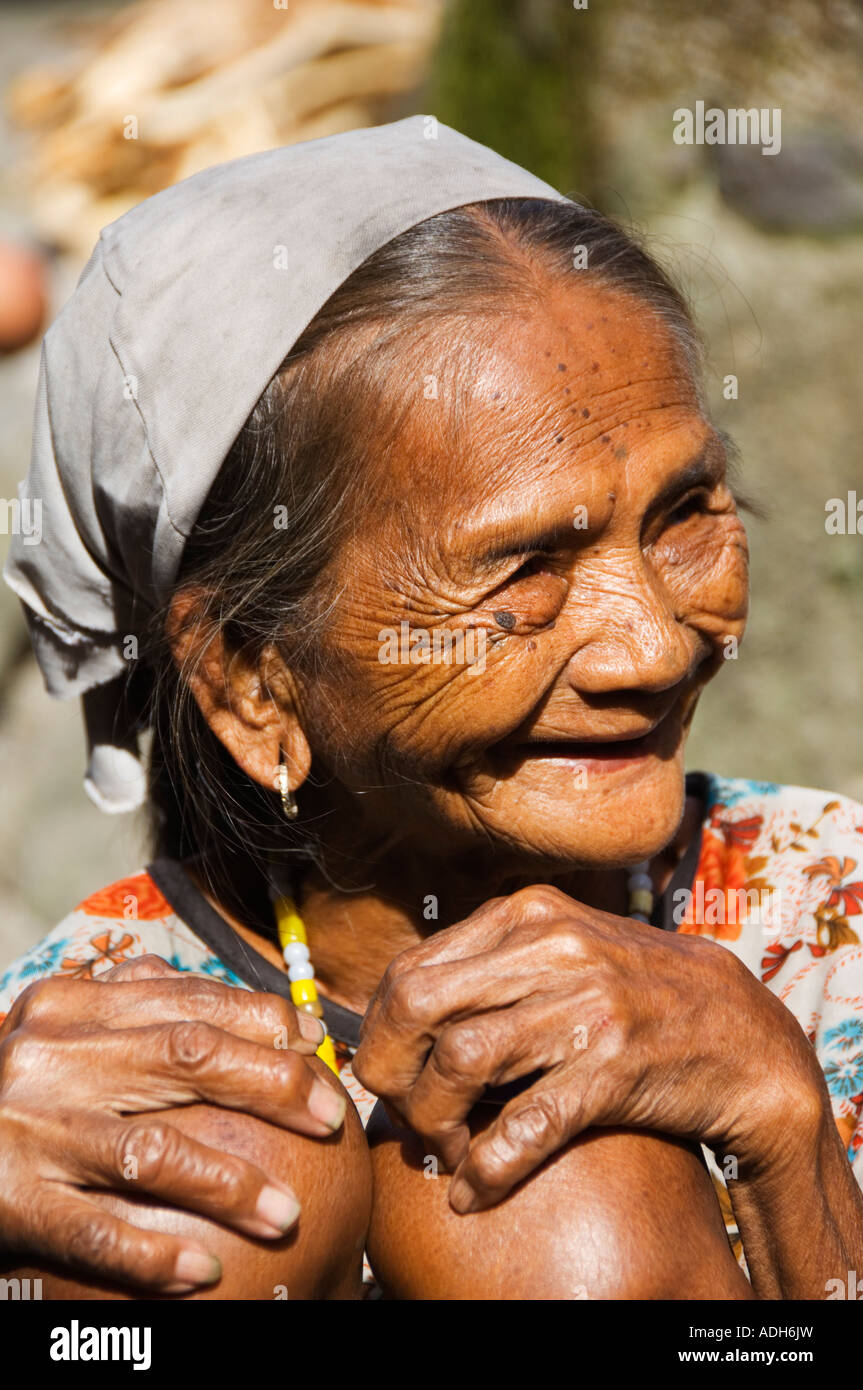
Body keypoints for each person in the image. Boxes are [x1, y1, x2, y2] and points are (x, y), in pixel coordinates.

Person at [1, 118, 861, 1300]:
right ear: (252, 680)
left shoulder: (828, 923)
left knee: (573, 1187)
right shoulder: (72, 1067)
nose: (654, 648)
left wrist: (781, 1136)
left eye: (683, 514)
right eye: (520, 569)